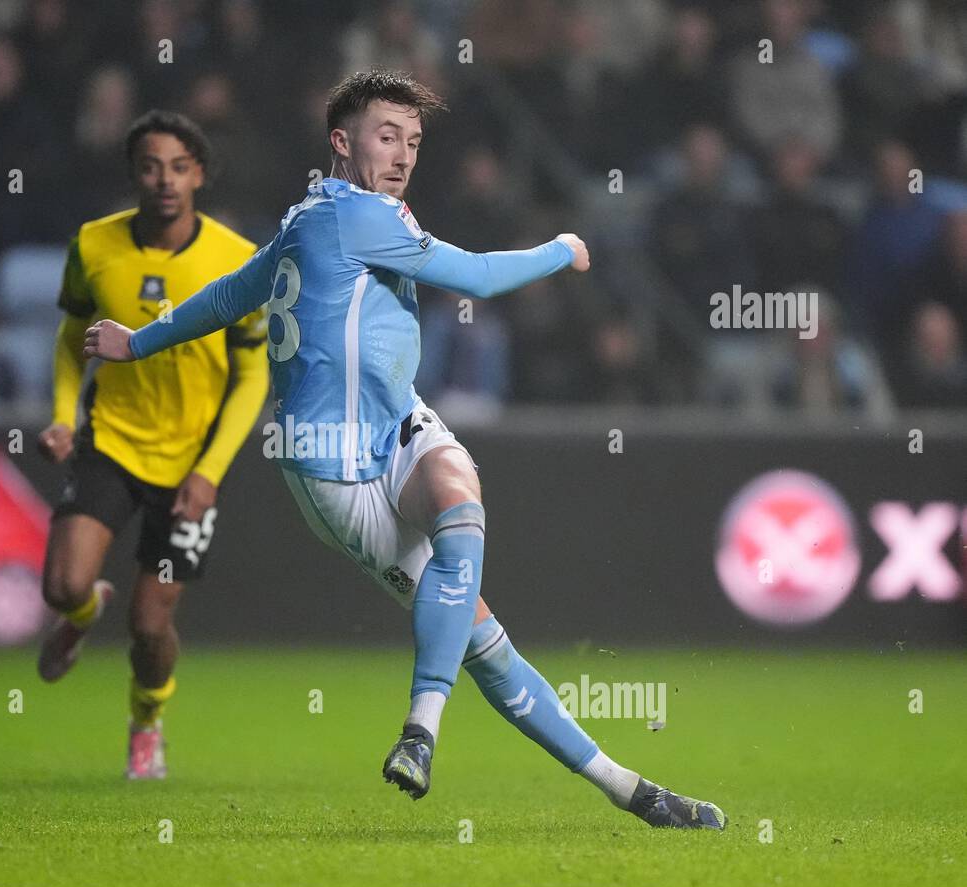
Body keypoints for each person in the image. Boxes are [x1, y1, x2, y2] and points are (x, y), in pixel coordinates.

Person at [84, 70, 723, 829]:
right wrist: (561, 247)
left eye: (414, 142)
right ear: (342, 142)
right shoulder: (356, 218)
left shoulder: (308, 218)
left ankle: (429, 733)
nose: (403, 154)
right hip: (333, 472)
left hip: (397, 423)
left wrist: (142, 339)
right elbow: (479, 278)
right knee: (487, 648)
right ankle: (625, 789)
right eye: (387, 136)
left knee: (462, 498)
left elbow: (233, 292)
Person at [38, 110, 269, 780]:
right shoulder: (93, 245)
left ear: (198, 173)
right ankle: (84, 613)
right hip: (111, 442)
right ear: (134, 174)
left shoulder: (236, 260)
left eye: (178, 166)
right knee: (62, 585)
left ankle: (146, 720)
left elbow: (254, 372)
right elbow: (69, 336)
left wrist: (211, 471)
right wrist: (60, 416)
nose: (164, 180)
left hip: (190, 465)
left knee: (149, 627)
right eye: (150, 165)